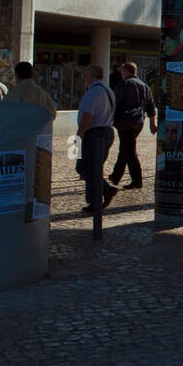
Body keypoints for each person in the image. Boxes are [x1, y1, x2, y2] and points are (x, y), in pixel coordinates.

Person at [75, 64, 118, 237]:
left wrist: (79, 134)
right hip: (105, 132)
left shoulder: (94, 91)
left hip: (94, 134)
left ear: (91, 76)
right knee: (93, 168)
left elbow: (88, 115)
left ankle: (106, 190)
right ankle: (94, 202)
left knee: (84, 167)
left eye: (86, 75)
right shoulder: (108, 90)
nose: (84, 78)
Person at [109, 61, 158, 190]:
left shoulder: (123, 85)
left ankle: (136, 180)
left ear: (126, 71)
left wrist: (109, 119)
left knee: (129, 151)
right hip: (138, 123)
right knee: (126, 148)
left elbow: (115, 104)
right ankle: (115, 176)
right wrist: (152, 124)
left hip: (125, 122)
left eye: (122, 71)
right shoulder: (144, 86)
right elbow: (151, 107)